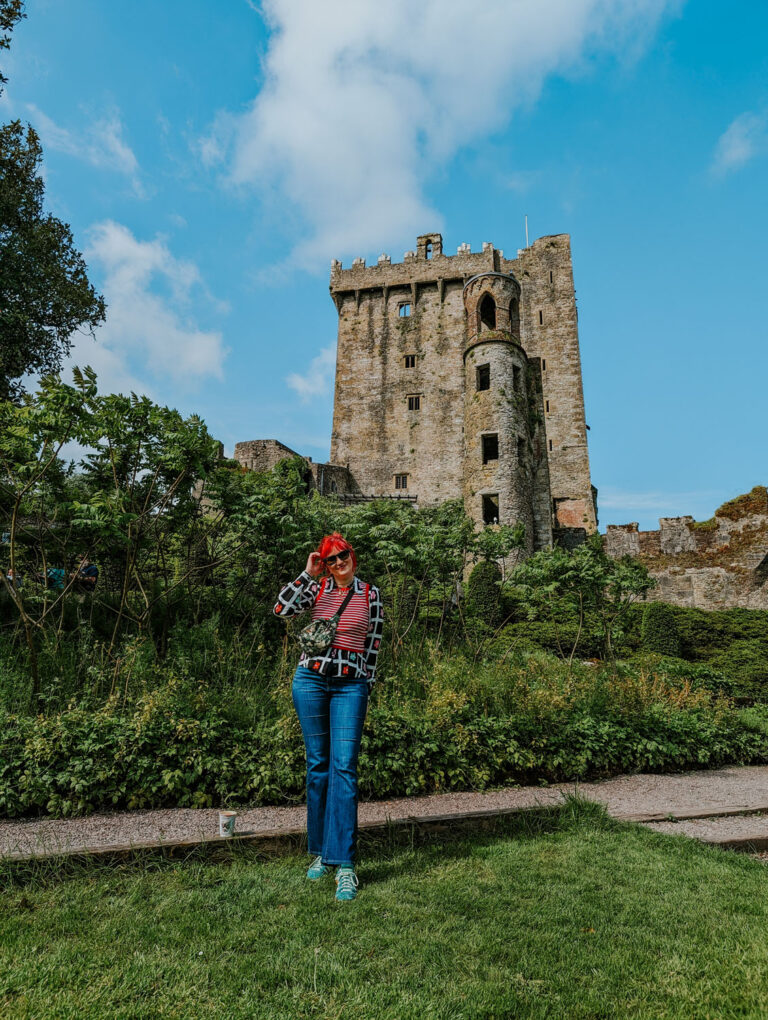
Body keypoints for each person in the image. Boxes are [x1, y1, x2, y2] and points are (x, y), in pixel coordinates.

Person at [273, 532, 383, 902]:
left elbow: (373, 646)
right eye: (331, 559)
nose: (338, 563)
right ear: (324, 563)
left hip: (350, 686)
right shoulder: (317, 589)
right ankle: (321, 852)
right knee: (318, 765)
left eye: (343, 556)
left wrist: (366, 684)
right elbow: (281, 609)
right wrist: (307, 573)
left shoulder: (370, 594)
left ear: (353, 555)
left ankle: (345, 864)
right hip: (310, 681)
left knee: (344, 767)